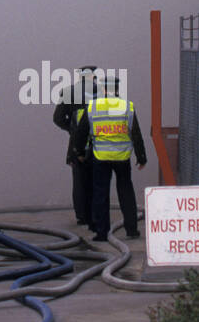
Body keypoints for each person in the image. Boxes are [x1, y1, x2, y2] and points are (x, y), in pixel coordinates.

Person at [73, 79, 147, 241]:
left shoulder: (93, 107)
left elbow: (81, 132)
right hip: (122, 157)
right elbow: (136, 133)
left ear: (103, 89)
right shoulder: (127, 106)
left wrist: (79, 152)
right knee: (126, 191)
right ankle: (131, 229)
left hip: (101, 157)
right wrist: (141, 157)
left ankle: (101, 232)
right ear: (118, 89)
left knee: (100, 193)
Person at [53, 66, 96, 227]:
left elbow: (57, 118)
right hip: (97, 144)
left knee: (79, 181)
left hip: (76, 146)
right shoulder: (101, 92)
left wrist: (72, 129)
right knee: (95, 180)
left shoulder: (68, 93)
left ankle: (81, 216)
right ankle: (94, 214)